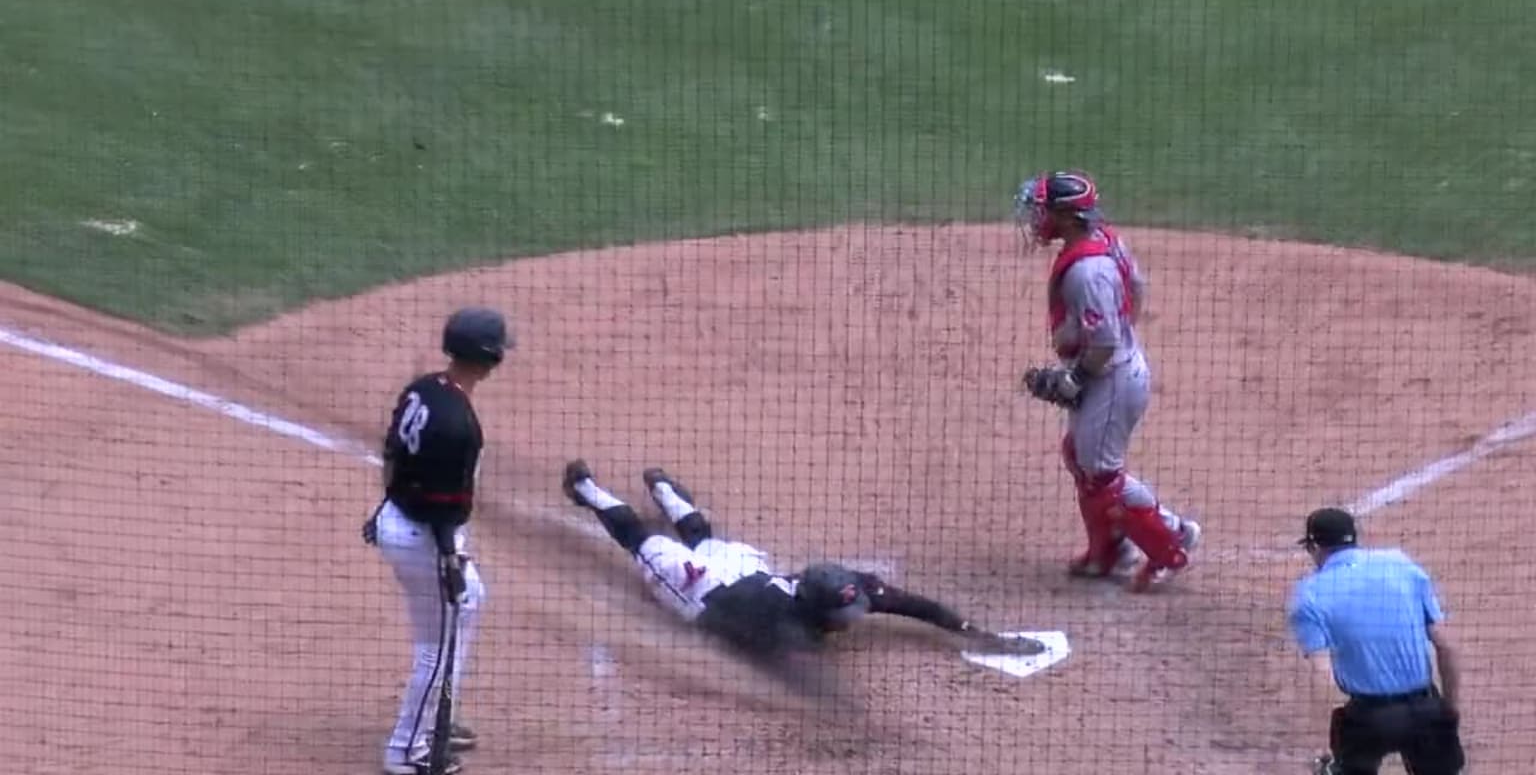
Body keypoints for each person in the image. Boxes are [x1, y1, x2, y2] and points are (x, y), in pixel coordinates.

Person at [558, 459, 1042, 665]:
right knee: (648, 544)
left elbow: (919, 607)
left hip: (750, 572)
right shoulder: (780, 629)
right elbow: (800, 677)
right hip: (707, 595)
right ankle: (584, 489)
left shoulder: (851, 587)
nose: (852, 621)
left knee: (706, 537)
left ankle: (661, 486)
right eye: (843, 616)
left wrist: (983, 636)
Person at [1013, 170, 1201, 592]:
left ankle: (1171, 543)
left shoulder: (1088, 272)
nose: (1035, 217)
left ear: (1066, 215)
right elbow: (1136, 287)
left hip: (1110, 377)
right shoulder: (1104, 239)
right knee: (1079, 457)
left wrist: (1074, 379)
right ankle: (1111, 552)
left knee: (1101, 475)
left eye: (1042, 210)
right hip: (1111, 370)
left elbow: (1104, 341)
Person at [362, 307, 511, 775]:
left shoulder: (423, 388)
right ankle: (407, 753)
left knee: (469, 606)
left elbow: (394, 455)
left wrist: (385, 505)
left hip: (402, 520)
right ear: (491, 359)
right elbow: (446, 511)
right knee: (439, 645)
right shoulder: (460, 428)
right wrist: (450, 561)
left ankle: (436, 719)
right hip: (424, 538)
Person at [1287, 508, 1465, 775]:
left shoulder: (1308, 595)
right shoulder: (1402, 565)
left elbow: (1323, 676)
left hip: (1366, 719)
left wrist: (1323, 745)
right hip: (1426, 708)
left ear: (1314, 546)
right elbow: (1446, 645)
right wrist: (1449, 709)